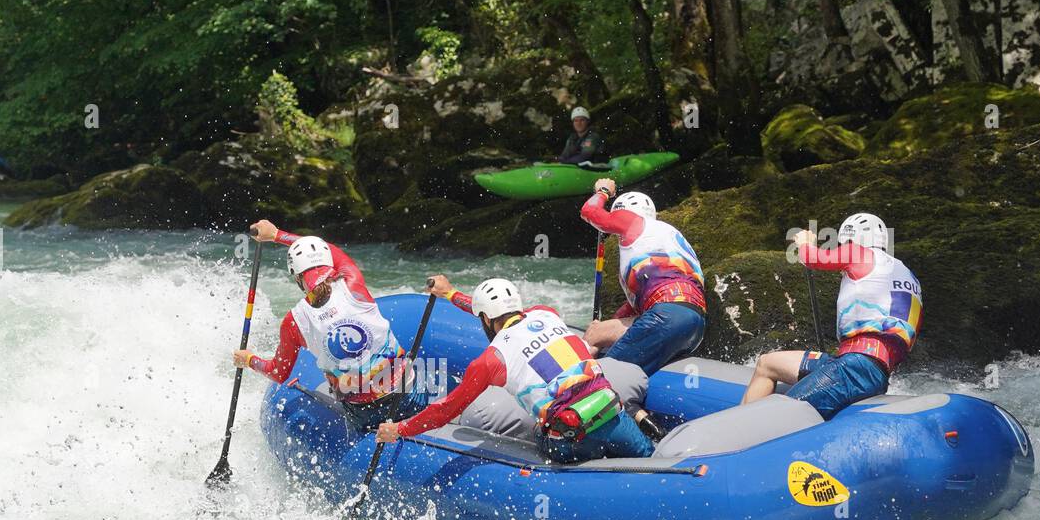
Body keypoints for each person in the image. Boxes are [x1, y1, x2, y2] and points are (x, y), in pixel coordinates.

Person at [375, 276, 654, 463]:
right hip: (611, 415)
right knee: (647, 456)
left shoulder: (492, 360)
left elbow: (445, 410)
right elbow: (490, 311)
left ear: (484, 319)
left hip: (570, 441)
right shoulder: (547, 313)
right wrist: (450, 293)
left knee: (536, 429)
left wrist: (400, 429)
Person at [233, 220, 428, 432]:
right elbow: (332, 249)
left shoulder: (294, 321)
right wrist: (276, 234)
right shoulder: (353, 282)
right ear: (328, 261)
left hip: (364, 412)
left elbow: (279, 373)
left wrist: (249, 360)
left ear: (297, 278)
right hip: (407, 394)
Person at [741, 213, 922, 419]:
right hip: (863, 366)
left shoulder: (859, 253)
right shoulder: (909, 276)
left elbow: (812, 259)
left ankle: (745, 436)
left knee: (782, 415)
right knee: (767, 363)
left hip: (855, 368)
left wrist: (805, 242)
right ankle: (740, 420)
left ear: (853, 240)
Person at [580, 178, 706, 376]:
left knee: (604, 379)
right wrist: (605, 328)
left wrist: (603, 191)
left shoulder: (633, 222)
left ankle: (574, 384)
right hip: (695, 325)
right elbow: (635, 308)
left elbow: (590, 212)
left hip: (666, 317)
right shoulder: (668, 238)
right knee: (600, 332)